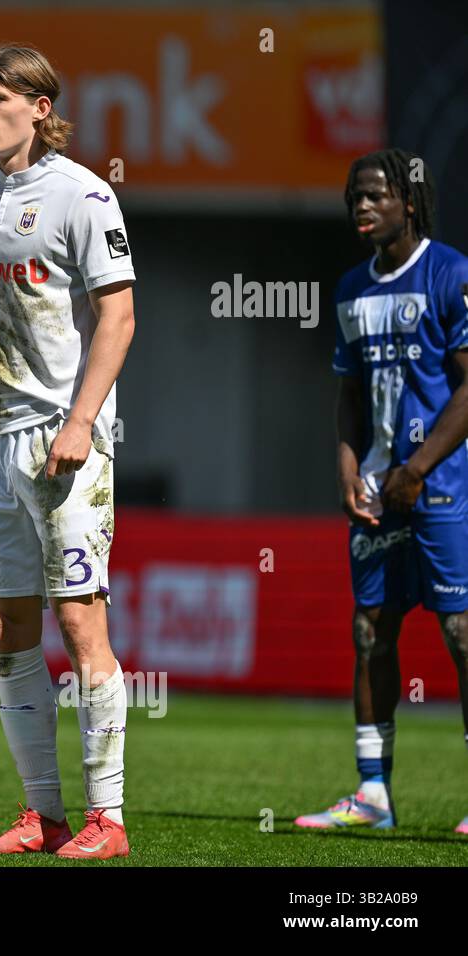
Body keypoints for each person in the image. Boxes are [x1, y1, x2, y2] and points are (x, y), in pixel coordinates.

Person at [0, 44, 137, 859]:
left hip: (65, 440)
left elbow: (119, 317)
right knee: (6, 625)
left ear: (38, 104)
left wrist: (79, 420)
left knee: (79, 618)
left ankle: (109, 818)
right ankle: (44, 815)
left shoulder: (84, 194)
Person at [295, 148, 468, 836]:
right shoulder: (350, 289)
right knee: (372, 630)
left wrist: (419, 467)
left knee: (461, 632)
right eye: (352, 198)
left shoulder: (451, 274)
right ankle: (372, 792)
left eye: (373, 196)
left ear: (409, 201)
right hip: (375, 491)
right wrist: (346, 469)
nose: (360, 207)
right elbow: (349, 396)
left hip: (443, 489)